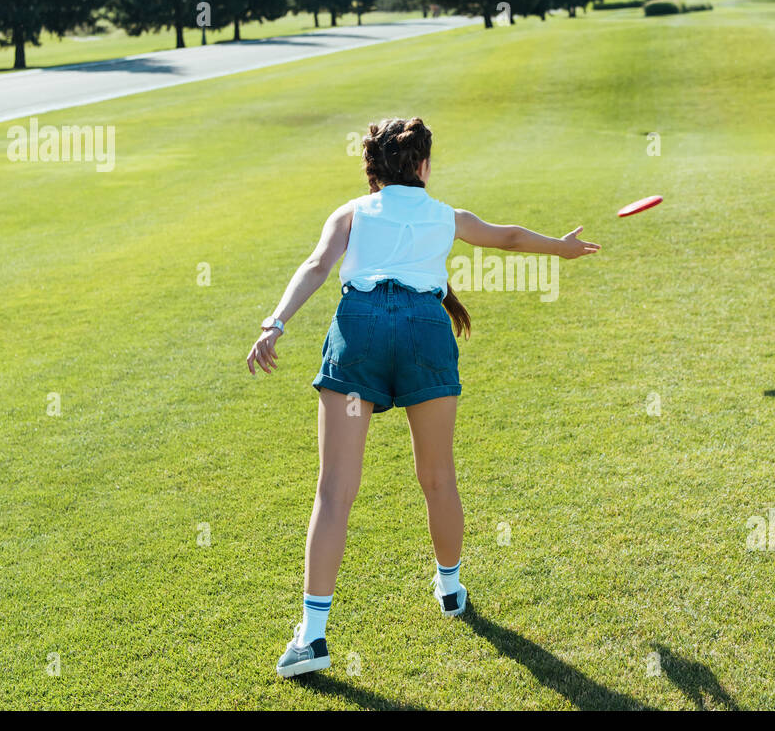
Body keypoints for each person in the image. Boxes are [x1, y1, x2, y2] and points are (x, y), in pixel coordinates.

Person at [246, 117, 601, 677]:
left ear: (374, 169)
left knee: (335, 490)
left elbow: (317, 266)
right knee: (437, 477)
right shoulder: (446, 216)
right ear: (422, 166)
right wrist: (562, 248)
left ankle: (313, 638)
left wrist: (274, 324)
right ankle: (451, 588)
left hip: (359, 330)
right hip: (423, 332)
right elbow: (508, 236)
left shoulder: (352, 212)